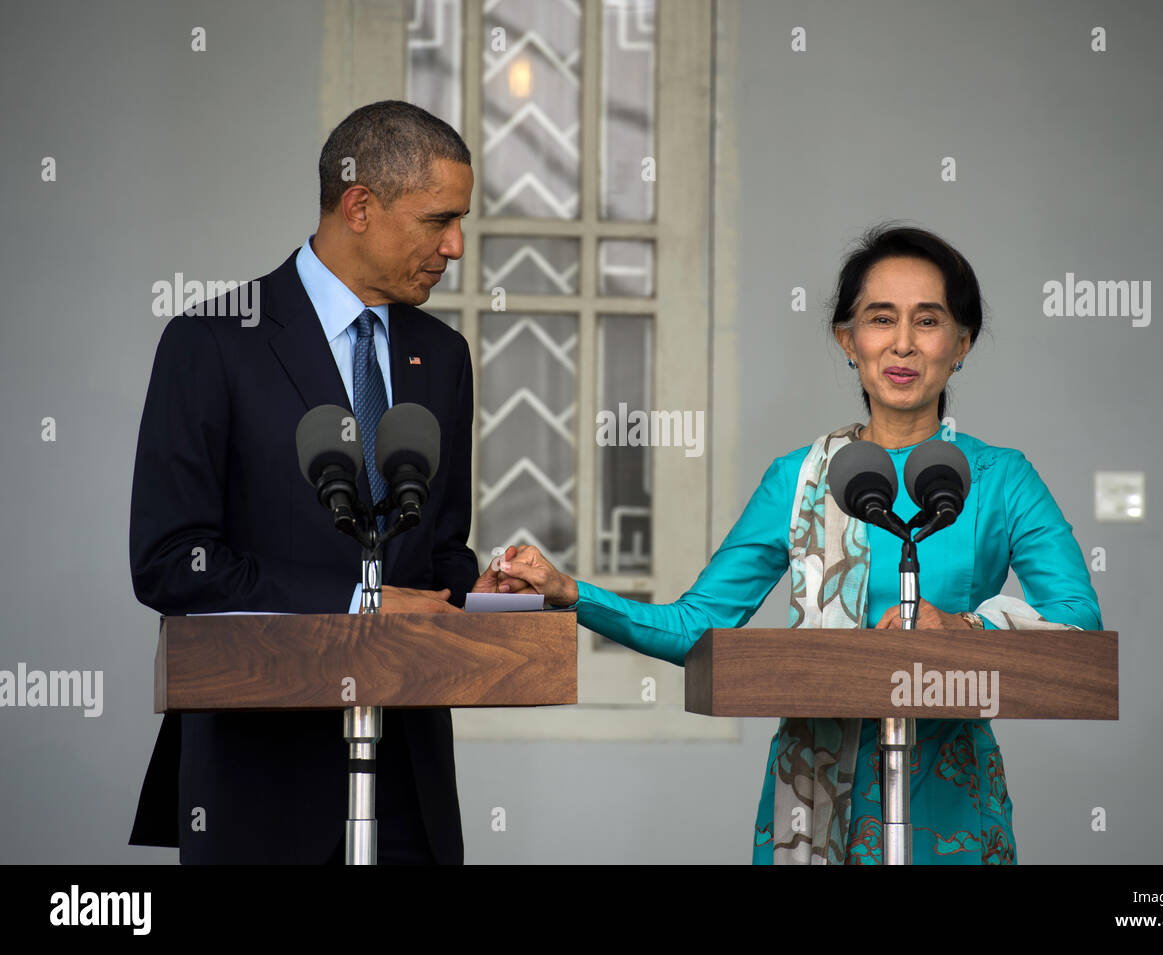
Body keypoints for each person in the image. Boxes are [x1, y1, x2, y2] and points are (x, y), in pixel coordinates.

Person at [484, 223, 1104, 864]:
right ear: (848, 340)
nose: (901, 344)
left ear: (961, 343)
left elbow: (1078, 621)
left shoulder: (1001, 479)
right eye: (879, 319)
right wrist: (567, 592)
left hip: (950, 805)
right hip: (814, 804)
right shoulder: (799, 480)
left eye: (928, 321)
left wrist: (965, 630)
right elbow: (695, 627)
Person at [128, 101, 480, 864]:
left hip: (410, 790)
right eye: (439, 219)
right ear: (359, 205)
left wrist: (489, 593)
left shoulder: (444, 356)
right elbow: (170, 560)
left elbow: (441, 546)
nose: (455, 246)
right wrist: (361, 604)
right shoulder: (212, 343)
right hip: (262, 784)